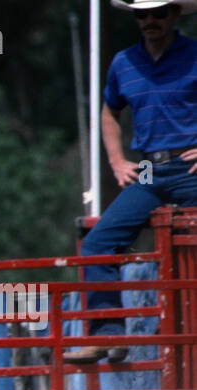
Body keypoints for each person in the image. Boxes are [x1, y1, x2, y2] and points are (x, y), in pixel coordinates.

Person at [69, 0, 197, 364]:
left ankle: (179, 328)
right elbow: (109, 111)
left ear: (174, 14)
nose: (150, 21)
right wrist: (115, 161)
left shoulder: (194, 54)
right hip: (148, 171)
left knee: (190, 248)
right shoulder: (124, 62)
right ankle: (108, 334)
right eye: (142, 14)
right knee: (97, 244)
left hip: (191, 168)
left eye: (158, 13)